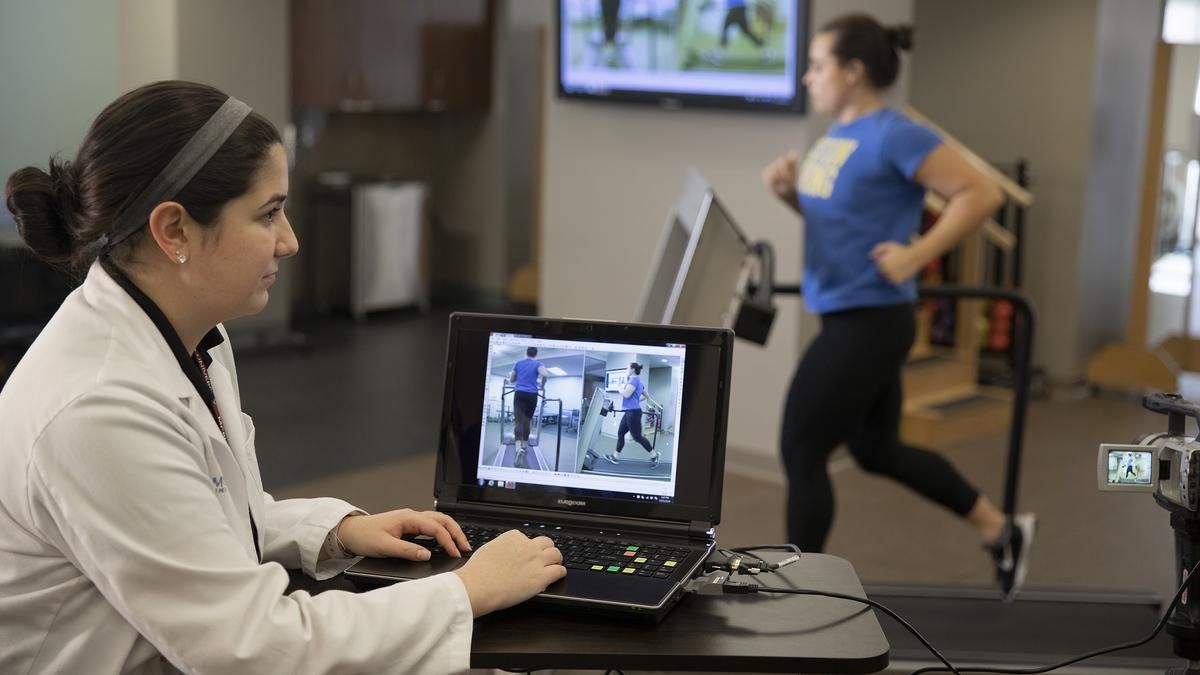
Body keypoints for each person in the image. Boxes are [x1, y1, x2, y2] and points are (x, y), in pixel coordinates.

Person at [0, 81, 565, 675]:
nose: (290, 241)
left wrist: (338, 532)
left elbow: (203, 519)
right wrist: (469, 591)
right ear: (174, 232)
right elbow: (249, 649)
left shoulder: (188, 337)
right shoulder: (98, 409)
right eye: (268, 213)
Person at [760, 14, 1035, 600]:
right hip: (847, 313)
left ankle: (803, 598)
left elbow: (980, 192)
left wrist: (918, 254)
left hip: (869, 320)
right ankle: (999, 529)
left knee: (802, 447)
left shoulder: (894, 132)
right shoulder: (836, 136)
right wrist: (789, 196)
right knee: (876, 449)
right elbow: (843, 225)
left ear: (853, 71)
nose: (807, 78)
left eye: (817, 65)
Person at [604, 362, 661, 468]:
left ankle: (654, 455)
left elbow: (626, 394)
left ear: (633, 370)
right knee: (621, 432)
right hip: (630, 411)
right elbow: (646, 396)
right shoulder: (639, 381)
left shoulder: (633, 380)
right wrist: (635, 401)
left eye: (627, 368)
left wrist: (619, 387)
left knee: (637, 437)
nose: (626, 370)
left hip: (633, 413)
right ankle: (616, 456)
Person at [508, 346, 547, 466]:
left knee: (518, 423)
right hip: (532, 395)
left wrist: (515, 380)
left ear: (526, 352)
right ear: (536, 354)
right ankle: (525, 446)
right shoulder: (538, 363)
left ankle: (518, 448)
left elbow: (512, 379)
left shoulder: (518, 363)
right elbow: (545, 375)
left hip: (520, 394)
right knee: (527, 421)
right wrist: (542, 386)